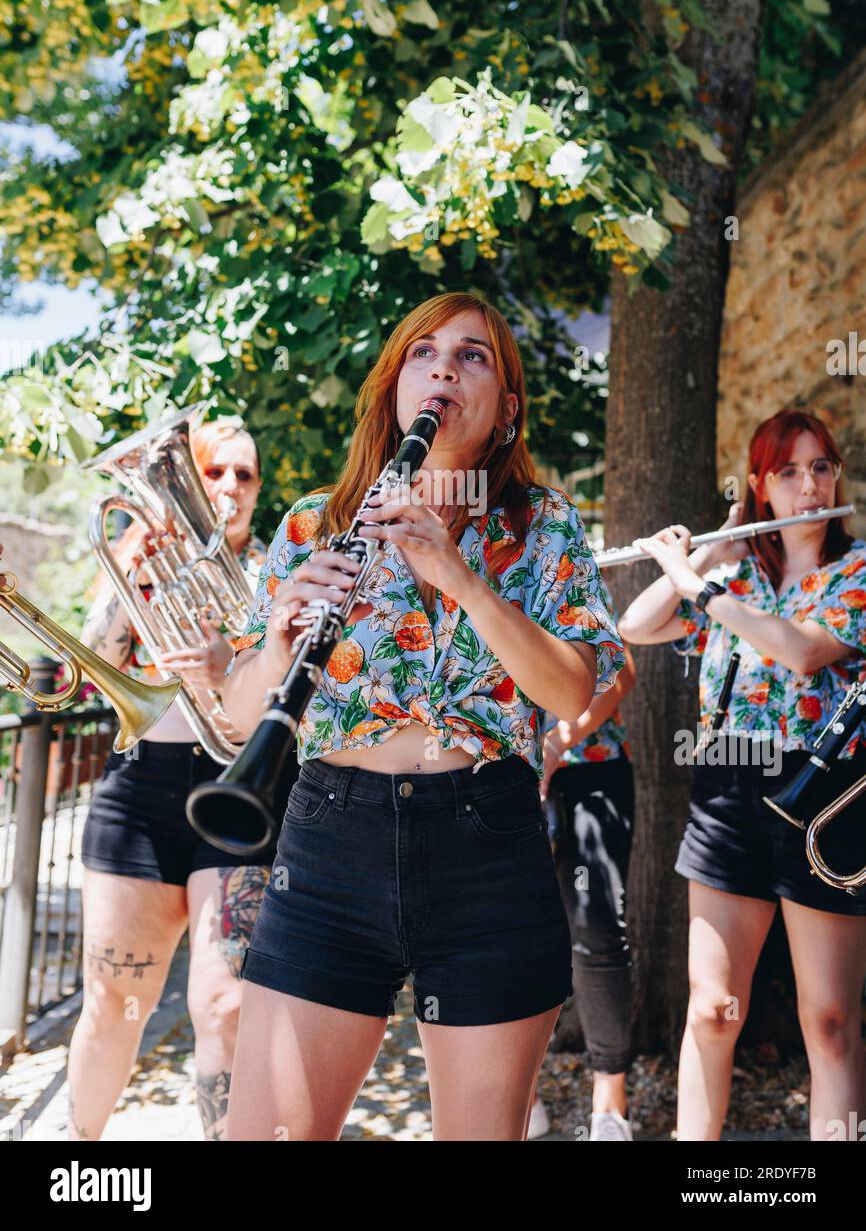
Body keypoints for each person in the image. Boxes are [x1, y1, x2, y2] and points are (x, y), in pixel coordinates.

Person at [221, 291, 625, 1141]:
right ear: (396, 387)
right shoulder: (312, 522)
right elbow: (237, 717)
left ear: (505, 409)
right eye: (423, 352)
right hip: (330, 842)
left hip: (487, 843)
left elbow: (571, 692)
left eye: (473, 355)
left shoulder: (542, 526)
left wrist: (466, 582)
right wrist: (276, 638)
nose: (444, 367)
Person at [618, 409, 866, 1141]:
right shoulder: (732, 573)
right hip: (727, 794)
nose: (809, 485)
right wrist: (700, 555)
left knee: (829, 1022)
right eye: (787, 472)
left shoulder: (857, 572)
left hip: (824, 801)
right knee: (713, 1008)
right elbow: (636, 623)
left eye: (820, 467)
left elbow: (803, 653)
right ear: (760, 485)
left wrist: (700, 590)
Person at [68, 417, 272, 1141]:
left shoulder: (275, 571)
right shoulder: (142, 561)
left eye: (244, 476)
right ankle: (80, 1155)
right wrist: (126, 570)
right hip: (141, 789)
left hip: (236, 788)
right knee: (116, 999)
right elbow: (86, 670)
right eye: (215, 471)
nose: (228, 489)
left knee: (227, 1005)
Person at [529, 637, 637, 1142]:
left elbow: (621, 674)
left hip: (589, 769)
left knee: (595, 931)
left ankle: (610, 1104)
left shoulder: (567, 557)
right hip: (488, 772)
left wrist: (553, 747)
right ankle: (520, 1095)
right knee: (498, 935)